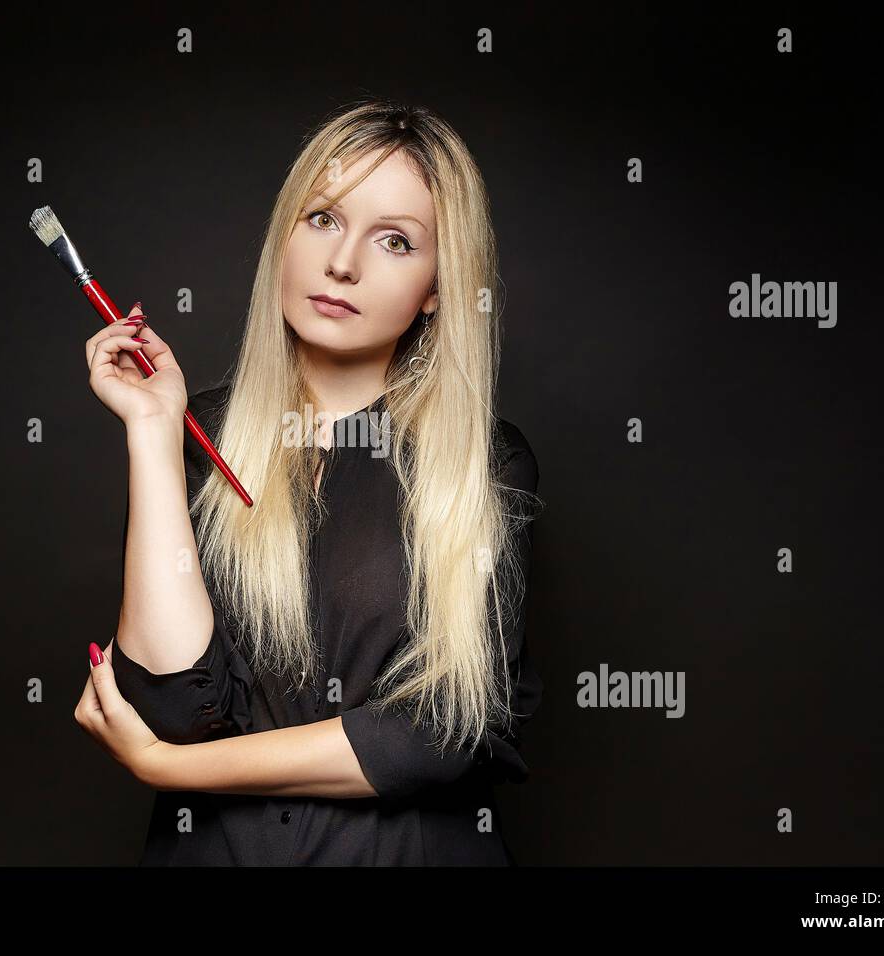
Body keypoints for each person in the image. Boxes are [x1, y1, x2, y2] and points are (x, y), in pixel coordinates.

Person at [74, 99, 544, 865]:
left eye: (395, 240)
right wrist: (153, 434)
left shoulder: (486, 464)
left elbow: (440, 733)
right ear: (285, 234)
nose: (343, 263)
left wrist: (167, 770)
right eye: (324, 218)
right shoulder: (198, 437)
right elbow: (168, 705)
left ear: (437, 286)